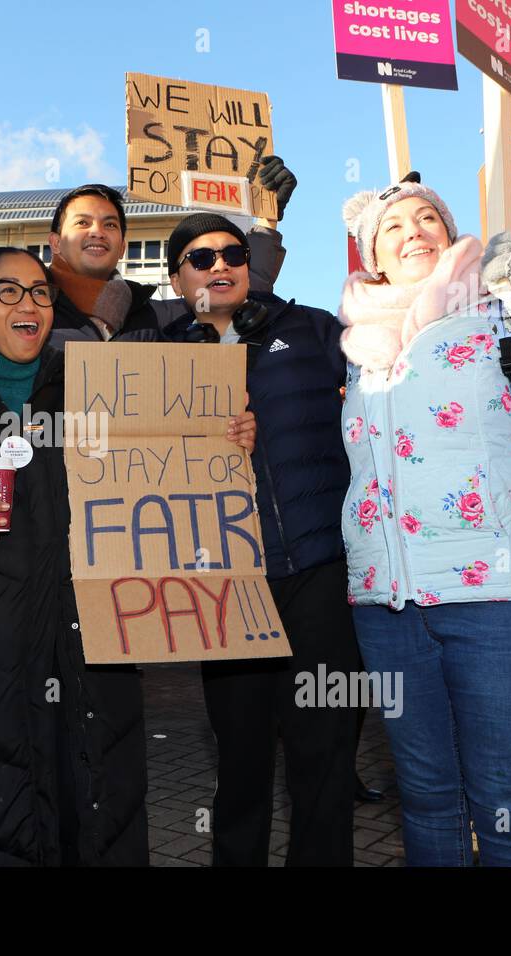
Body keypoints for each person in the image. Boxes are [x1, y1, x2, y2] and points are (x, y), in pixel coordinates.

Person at [0, 247, 254, 865]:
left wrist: (224, 437)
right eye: (7, 291)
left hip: (96, 653)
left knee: (96, 817)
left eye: (40, 292)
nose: (29, 304)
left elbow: (175, 463)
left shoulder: (99, 392)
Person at [337, 173, 511, 866]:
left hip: (505, 601)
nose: (413, 229)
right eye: (393, 225)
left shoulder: (498, 312)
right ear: (372, 255)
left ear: (450, 235)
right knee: (426, 802)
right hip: (388, 610)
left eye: (428, 218)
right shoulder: (357, 351)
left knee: (508, 811)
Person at [160, 214, 361, 866]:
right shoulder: (154, 355)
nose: (220, 265)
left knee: (324, 751)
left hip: (319, 570)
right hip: (226, 584)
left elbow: (386, 375)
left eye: (233, 253)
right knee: (241, 757)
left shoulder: (310, 330)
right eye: (201, 257)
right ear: (176, 276)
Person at [47, 161, 297, 346]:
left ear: (122, 247)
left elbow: (238, 291)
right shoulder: (29, 308)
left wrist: (267, 217)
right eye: (82, 223)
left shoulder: (159, 317)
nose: (97, 232)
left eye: (110, 225)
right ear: (55, 242)